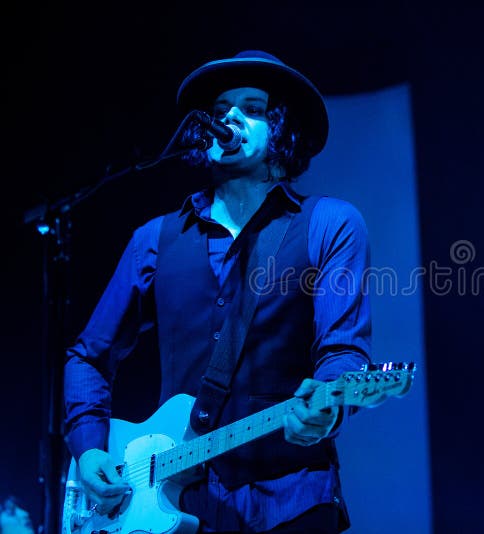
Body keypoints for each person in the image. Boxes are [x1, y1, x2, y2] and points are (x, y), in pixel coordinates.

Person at [63, 50, 372, 533]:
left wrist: (327, 408)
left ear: (282, 128)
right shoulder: (154, 239)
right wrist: (88, 448)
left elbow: (343, 353)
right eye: (221, 108)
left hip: (294, 500)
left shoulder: (330, 224)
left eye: (252, 108)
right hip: (176, 505)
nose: (229, 117)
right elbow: (88, 356)